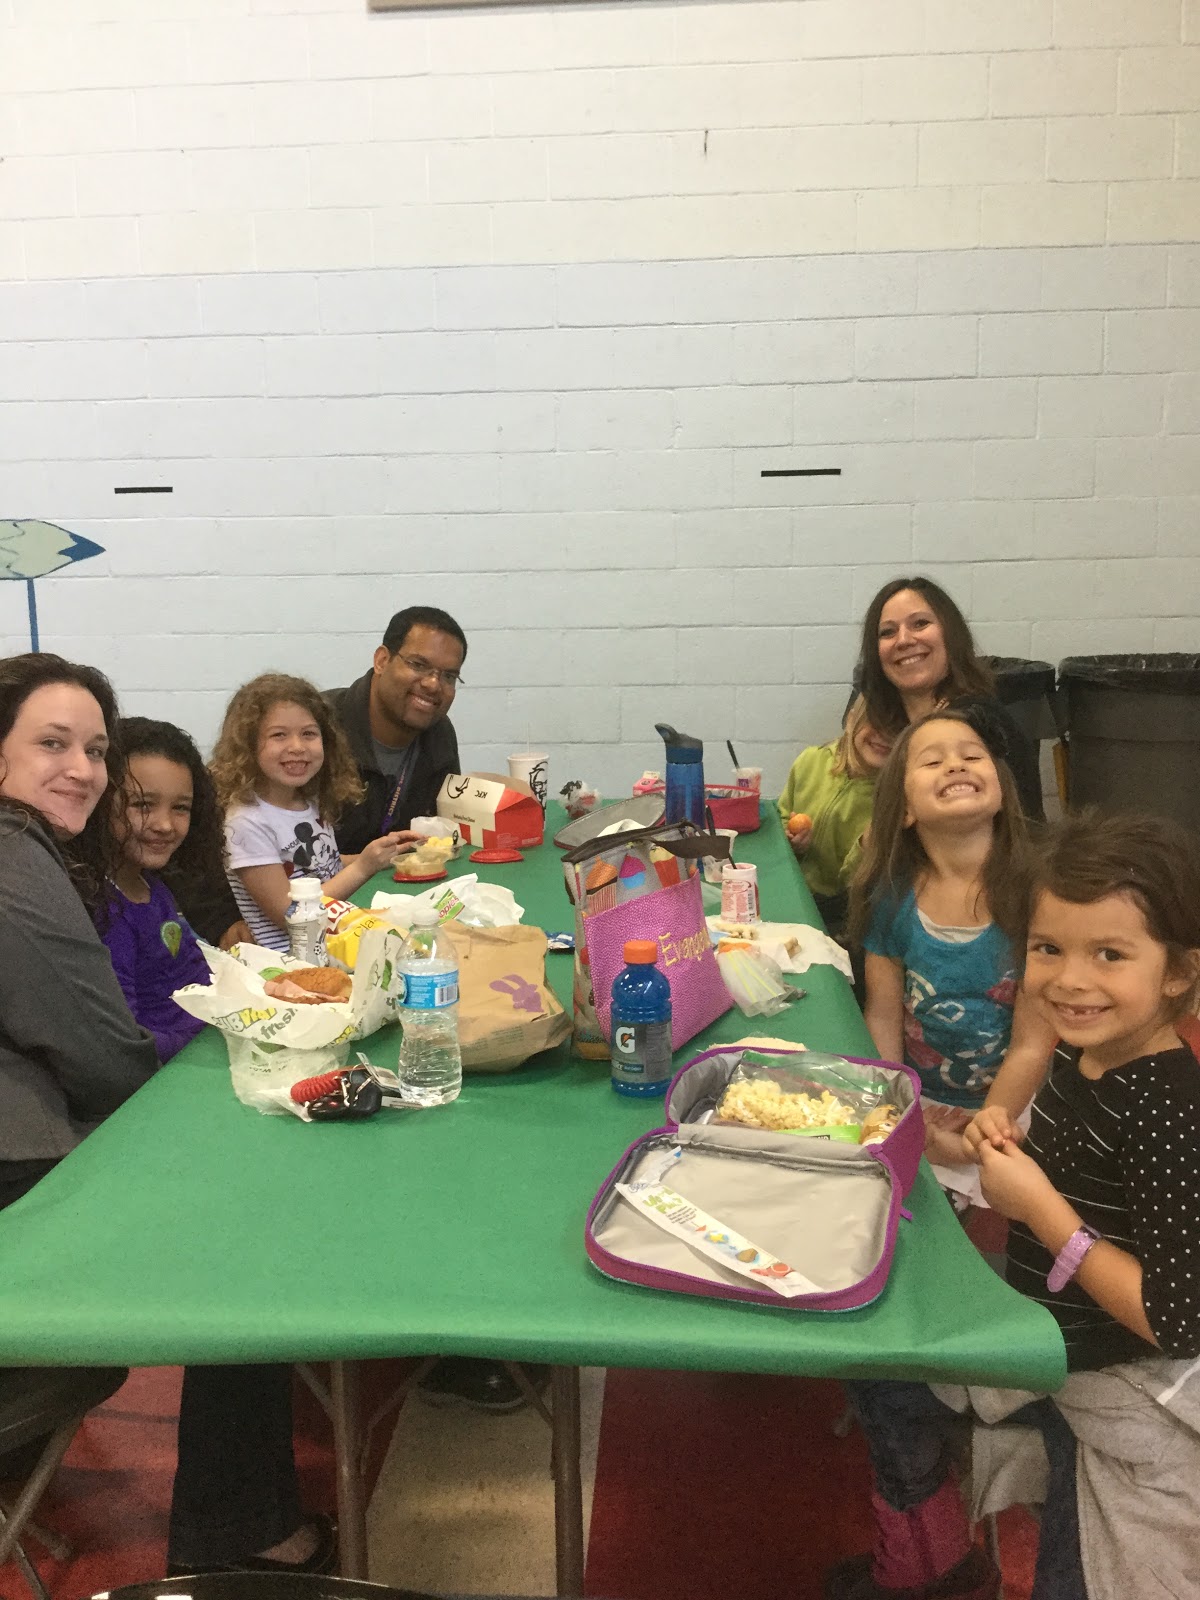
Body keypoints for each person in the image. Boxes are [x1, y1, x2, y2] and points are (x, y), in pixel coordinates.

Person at [0, 653, 333, 1575]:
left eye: (94, 748)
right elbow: (105, 1054)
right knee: (242, 1249)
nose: (82, 769)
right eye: (51, 744)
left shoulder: (46, 858)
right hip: (21, 1202)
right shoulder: (13, 860)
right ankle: (237, 1536)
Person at [827, 812, 1200, 1600]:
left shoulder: (1171, 1112)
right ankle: (933, 1537)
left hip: (1124, 1382)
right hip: (1056, 1342)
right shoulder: (1084, 1049)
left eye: (1110, 954)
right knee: (878, 1349)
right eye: (1048, 949)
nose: (1069, 980)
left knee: (1079, 1574)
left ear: (1177, 973)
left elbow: (1174, 1319)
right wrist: (1005, 1143)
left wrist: (1040, 1211)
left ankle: (936, 1543)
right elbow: (1087, 1182)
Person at [849, 707, 1055, 1177]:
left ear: (1002, 790)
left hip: (1008, 1107)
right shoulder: (892, 899)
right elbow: (882, 1016)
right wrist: (900, 1107)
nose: (956, 765)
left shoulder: (1036, 901)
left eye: (971, 756)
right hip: (918, 1106)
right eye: (932, 761)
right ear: (903, 809)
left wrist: (984, 1129)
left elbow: (1031, 1045)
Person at [211, 672, 416, 953]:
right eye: (278, 735)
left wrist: (383, 855)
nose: (297, 747)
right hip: (292, 965)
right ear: (248, 745)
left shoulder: (307, 801)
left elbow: (317, 863)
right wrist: (362, 867)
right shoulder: (246, 823)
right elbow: (291, 915)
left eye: (308, 733)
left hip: (334, 943)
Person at [856, 576, 1044, 822]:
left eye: (920, 623)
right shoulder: (882, 733)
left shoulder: (977, 721)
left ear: (950, 635)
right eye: (888, 632)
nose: (903, 640)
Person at [98, 718, 215, 1063]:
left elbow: (195, 969)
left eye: (180, 808)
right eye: (143, 805)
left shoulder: (153, 885)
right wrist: (204, 1043)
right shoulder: (109, 912)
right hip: (174, 1069)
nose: (164, 825)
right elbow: (131, 1039)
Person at [324, 606, 465, 856]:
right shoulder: (318, 727)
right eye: (418, 664)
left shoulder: (439, 733)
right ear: (381, 661)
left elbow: (439, 839)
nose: (433, 684)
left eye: (449, 676)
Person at [777, 696, 891, 936]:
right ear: (851, 718)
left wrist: (868, 843)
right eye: (877, 719)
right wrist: (790, 839)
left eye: (899, 727)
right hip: (792, 896)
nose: (886, 733)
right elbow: (782, 817)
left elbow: (861, 887)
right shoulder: (812, 760)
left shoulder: (896, 798)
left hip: (844, 918)